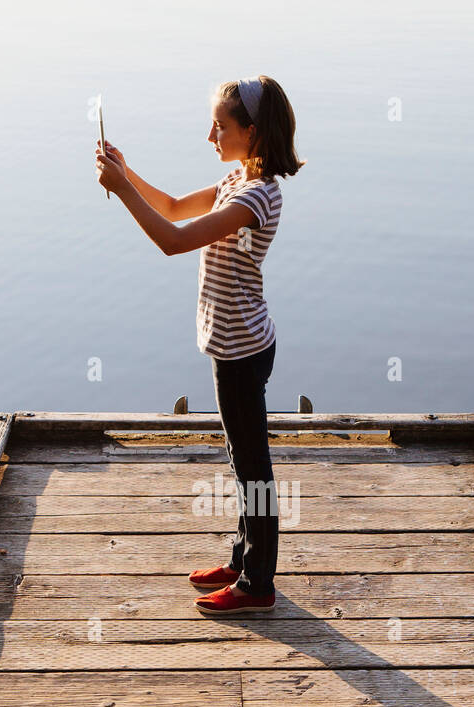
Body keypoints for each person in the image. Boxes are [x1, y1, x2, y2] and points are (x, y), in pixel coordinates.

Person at [95, 76, 304, 615]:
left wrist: (119, 191)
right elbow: (168, 206)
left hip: (244, 350)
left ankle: (259, 585)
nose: (210, 133)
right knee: (241, 458)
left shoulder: (257, 197)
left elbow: (174, 241)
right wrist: (127, 170)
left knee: (254, 467)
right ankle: (243, 559)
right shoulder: (236, 180)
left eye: (221, 125)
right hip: (232, 344)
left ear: (251, 132)